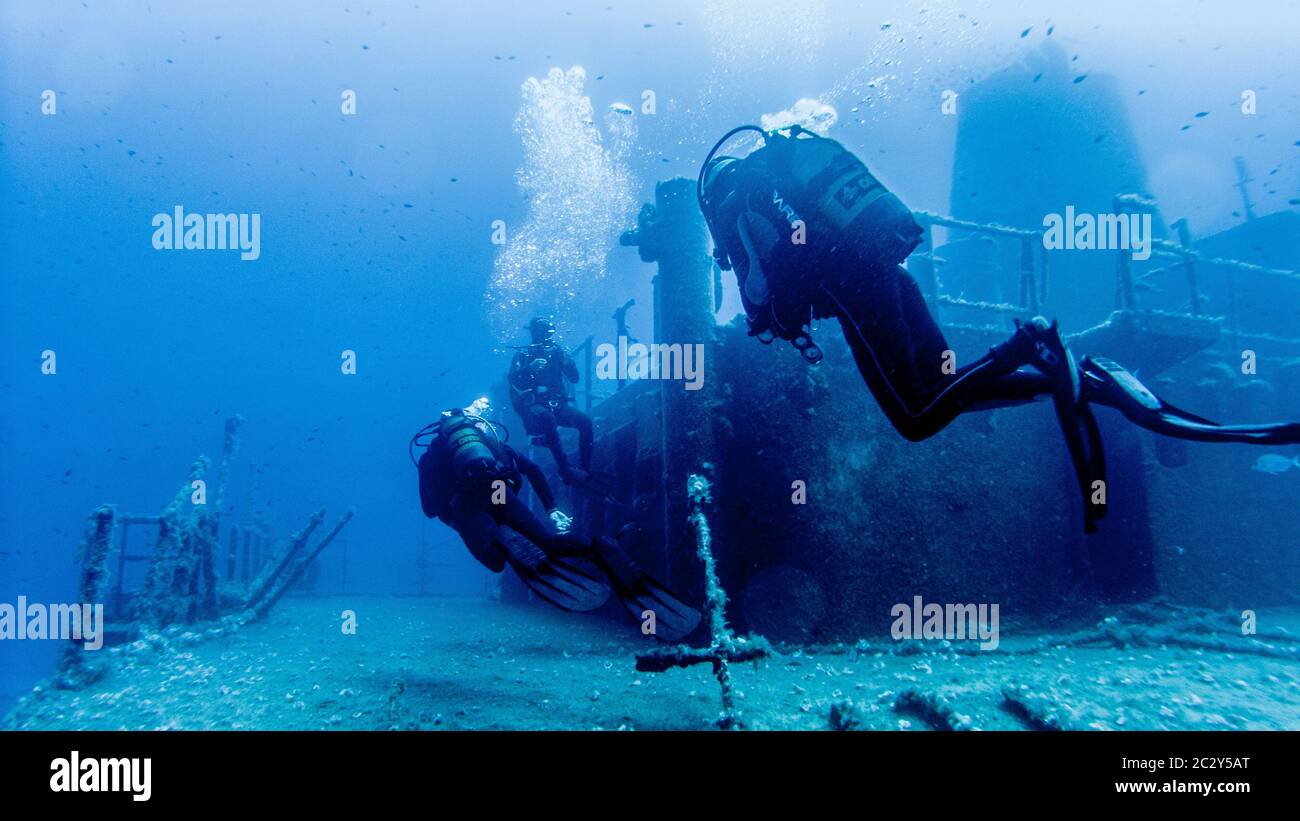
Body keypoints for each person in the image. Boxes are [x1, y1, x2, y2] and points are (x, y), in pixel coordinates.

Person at [698, 124, 1300, 532]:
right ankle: (1081, 379)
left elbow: (761, 295)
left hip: (854, 286)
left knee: (915, 417)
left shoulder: (737, 200)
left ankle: (1027, 346)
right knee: (947, 387)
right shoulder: (785, 173)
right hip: (893, 278)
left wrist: (766, 312)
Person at [411, 399, 700, 640]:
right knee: (551, 545)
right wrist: (551, 509)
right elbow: (534, 471)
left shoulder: (432, 456)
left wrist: (457, 518)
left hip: (467, 507)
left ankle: (502, 539)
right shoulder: (493, 442)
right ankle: (599, 547)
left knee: (496, 561)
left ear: (439, 431)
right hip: (502, 495)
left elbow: (430, 509)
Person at [508, 317, 595, 485]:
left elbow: (575, 378)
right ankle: (566, 469)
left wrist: (569, 364)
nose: (546, 337)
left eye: (548, 332)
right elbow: (513, 380)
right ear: (534, 333)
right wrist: (529, 369)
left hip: (558, 406)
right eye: (542, 332)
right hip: (534, 408)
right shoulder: (523, 355)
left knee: (585, 421)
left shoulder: (557, 352)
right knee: (548, 419)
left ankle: (584, 469)